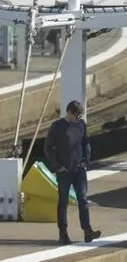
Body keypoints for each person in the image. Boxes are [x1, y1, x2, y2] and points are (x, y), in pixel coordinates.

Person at [44, 101, 101, 245]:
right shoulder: (57, 126)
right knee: (63, 201)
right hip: (64, 171)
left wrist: (86, 161)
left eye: (80, 116)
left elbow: (85, 143)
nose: (78, 118)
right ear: (69, 112)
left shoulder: (81, 125)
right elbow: (48, 148)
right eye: (77, 115)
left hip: (79, 169)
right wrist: (57, 166)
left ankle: (87, 231)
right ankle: (63, 233)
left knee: (83, 199)